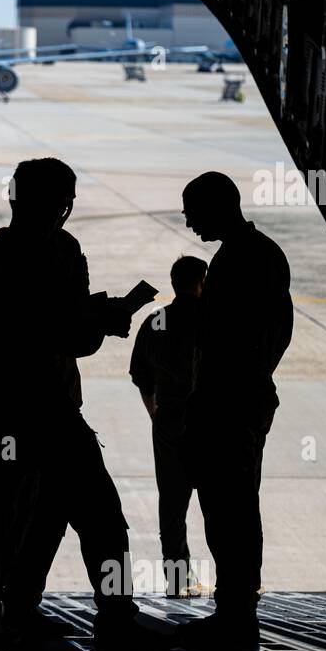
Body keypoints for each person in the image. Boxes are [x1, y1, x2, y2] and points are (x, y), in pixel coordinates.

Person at [0, 157, 151, 650]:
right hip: (45, 411)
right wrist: (103, 318)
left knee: (2, 516)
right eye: (63, 201)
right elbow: (73, 334)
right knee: (97, 517)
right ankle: (113, 616)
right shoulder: (61, 252)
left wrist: (86, 321)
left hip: (8, 413)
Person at [178, 172, 293, 650]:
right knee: (231, 506)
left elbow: (227, 338)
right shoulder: (255, 254)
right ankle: (235, 608)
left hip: (231, 402)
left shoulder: (241, 260)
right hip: (241, 397)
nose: (187, 220)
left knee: (232, 509)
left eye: (192, 210)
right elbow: (278, 330)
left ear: (217, 206)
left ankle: (236, 614)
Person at [129, 255, 208, 597]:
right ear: (202, 283)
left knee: (172, 506)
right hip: (210, 421)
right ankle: (237, 584)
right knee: (220, 504)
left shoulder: (156, 321)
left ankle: (177, 581)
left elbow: (141, 377)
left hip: (169, 419)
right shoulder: (214, 318)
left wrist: (155, 414)